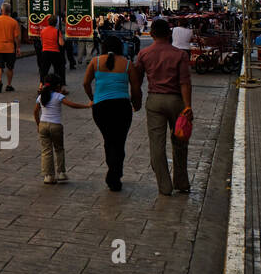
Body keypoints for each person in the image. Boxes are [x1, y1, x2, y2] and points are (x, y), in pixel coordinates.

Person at [130, 19, 193, 196]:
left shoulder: (144, 54)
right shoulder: (179, 55)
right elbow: (185, 83)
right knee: (180, 142)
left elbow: (137, 81)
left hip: (155, 101)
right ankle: (181, 181)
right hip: (176, 101)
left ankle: (164, 186)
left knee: (156, 144)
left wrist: (136, 100)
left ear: (151, 34)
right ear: (169, 34)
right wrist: (188, 106)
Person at [84, 35, 132, 191]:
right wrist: (136, 103)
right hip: (122, 107)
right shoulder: (127, 64)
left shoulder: (95, 62)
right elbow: (136, 88)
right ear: (120, 48)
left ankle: (113, 171)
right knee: (119, 142)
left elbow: (86, 83)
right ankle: (115, 174)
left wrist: (93, 98)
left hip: (101, 108)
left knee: (108, 140)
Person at [34, 73, 92, 185]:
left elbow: (35, 112)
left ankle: (48, 176)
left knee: (46, 151)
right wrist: (87, 106)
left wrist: (38, 125)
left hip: (43, 125)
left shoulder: (41, 96)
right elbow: (72, 105)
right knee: (59, 149)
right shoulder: (58, 96)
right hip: (56, 126)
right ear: (57, 86)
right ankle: (61, 173)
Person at [0, 3, 20, 93]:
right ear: (9, 11)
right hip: (10, 48)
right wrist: (18, 47)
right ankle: (9, 85)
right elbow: (16, 37)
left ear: (1, 10)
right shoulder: (13, 22)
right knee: (10, 67)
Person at [37, 14, 66, 83]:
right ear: (56, 23)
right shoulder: (57, 31)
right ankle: (59, 86)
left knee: (44, 70)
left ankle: (41, 85)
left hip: (45, 52)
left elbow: (42, 41)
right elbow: (61, 43)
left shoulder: (43, 31)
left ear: (48, 22)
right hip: (55, 52)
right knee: (58, 70)